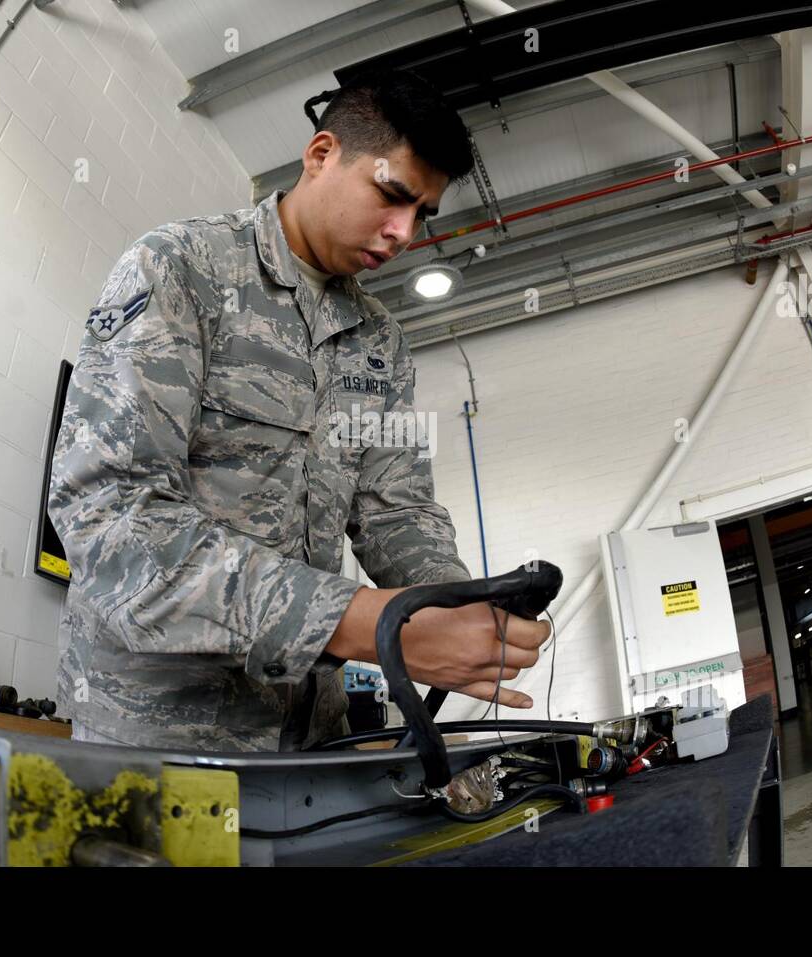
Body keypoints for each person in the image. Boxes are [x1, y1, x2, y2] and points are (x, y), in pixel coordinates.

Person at [48, 68, 549, 752]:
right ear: (321, 156)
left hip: (312, 737)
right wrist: (373, 623)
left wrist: (460, 611)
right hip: (161, 733)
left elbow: (396, 510)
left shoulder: (381, 343)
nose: (404, 232)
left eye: (422, 214)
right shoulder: (179, 269)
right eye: (393, 195)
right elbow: (111, 518)